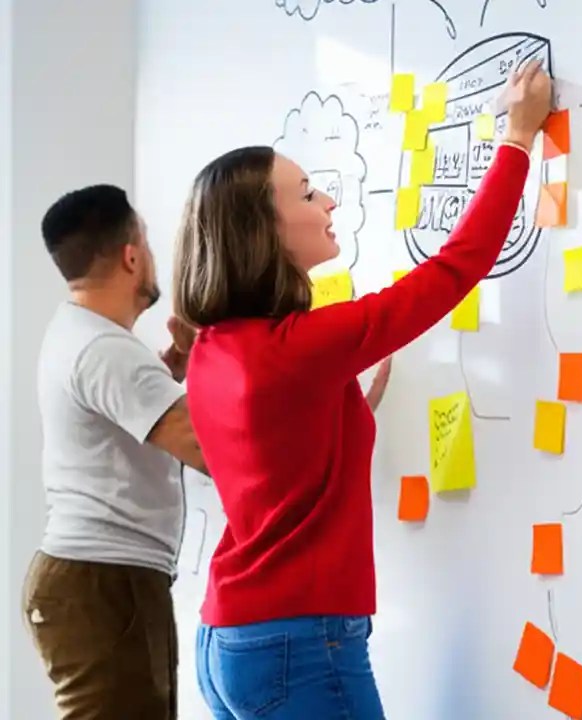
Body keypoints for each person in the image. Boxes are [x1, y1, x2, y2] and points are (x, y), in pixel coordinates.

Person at [172, 59, 552, 719]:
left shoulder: (214, 348)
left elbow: (274, 450)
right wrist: (517, 139)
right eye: (306, 195)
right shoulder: (299, 349)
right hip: (299, 643)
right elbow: (454, 270)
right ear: (263, 231)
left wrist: (347, 409)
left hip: (228, 638)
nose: (328, 202)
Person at [23, 184, 207, 719]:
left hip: (97, 579)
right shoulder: (105, 350)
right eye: (146, 240)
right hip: (104, 582)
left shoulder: (78, 333)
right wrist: (334, 409)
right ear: (131, 256)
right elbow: (210, 451)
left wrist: (175, 370)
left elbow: (119, 411)